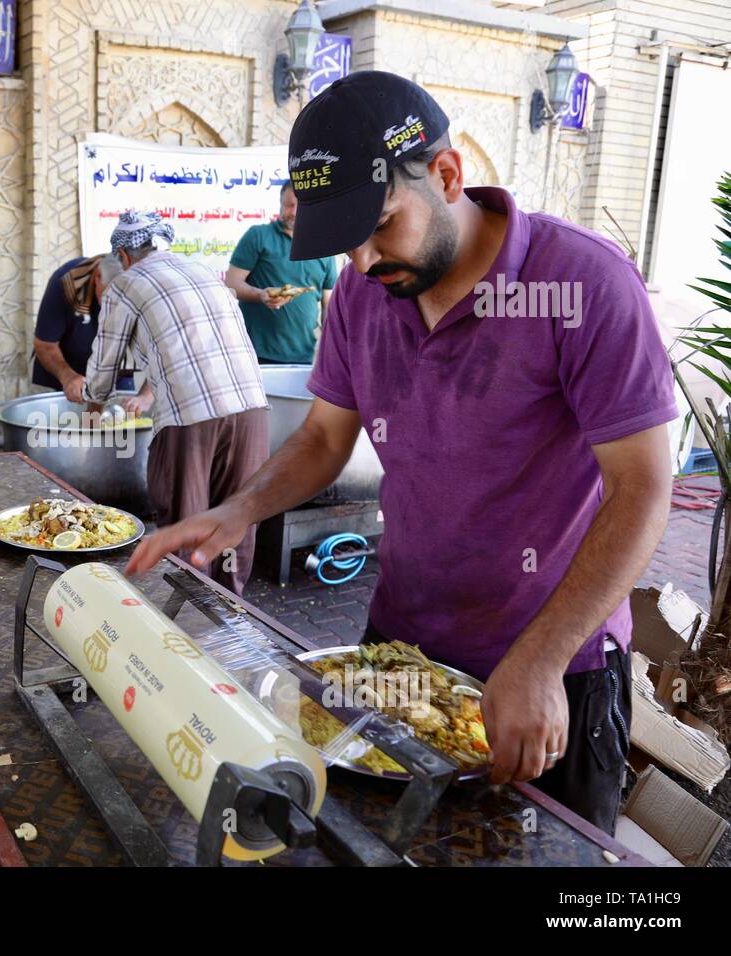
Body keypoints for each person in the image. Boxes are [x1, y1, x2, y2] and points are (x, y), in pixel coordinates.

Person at [126, 71, 676, 833]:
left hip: (555, 665)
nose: (360, 261)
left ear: (447, 174)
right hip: (397, 649)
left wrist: (543, 659)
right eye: (344, 240)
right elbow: (323, 437)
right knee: (384, 844)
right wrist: (236, 512)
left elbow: (644, 489)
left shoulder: (585, 283)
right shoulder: (362, 293)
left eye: (380, 226)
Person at [85, 210, 270, 595]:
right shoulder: (204, 272)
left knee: (186, 520)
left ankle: (186, 625)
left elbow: (105, 360)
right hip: (253, 409)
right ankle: (231, 617)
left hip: (191, 417)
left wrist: (93, 406)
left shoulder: (126, 283)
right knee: (237, 518)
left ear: (123, 255)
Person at [225, 180, 339, 364]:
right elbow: (231, 284)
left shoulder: (322, 247)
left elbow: (329, 304)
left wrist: (331, 350)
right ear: (280, 203)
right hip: (256, 354)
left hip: (305, 356)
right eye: (288, 205)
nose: (293, 212)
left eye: (300, 206)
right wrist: (261, 294)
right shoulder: (258, 236)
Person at [32, 253, 139, 403]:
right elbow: (45, 345)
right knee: (65, 423)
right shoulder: (65, 282)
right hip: (65, 374)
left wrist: (147, 396)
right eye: (111, 298)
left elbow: (163, 349)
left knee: (119, 421)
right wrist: (68, 377)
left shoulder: (145, 289)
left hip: (118, 373)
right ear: (97, 277)